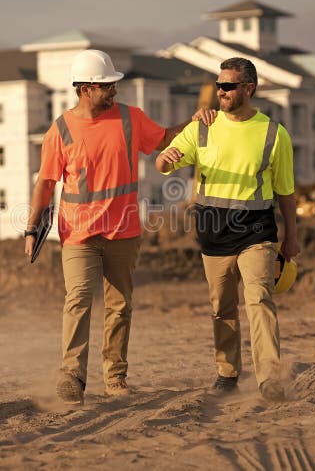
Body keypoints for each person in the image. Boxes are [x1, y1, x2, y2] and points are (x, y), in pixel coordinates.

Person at [25, 49, 214, 405]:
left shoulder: (130, 119)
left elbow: (163, 139)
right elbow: (46, 182)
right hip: (78, 233)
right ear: (86, 89)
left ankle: (115, 377)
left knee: (120, 305)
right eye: (107, 86)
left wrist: (195, 123)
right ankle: (72, 375)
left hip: (123, 230)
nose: (114, 91)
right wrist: (32, 227)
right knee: (79, 298)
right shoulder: (60, 129)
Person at [155, 57, 300, 401]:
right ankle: (227, 372)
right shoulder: (202, 127)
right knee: (221, 306)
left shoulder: (273, 134)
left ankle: (269, 377)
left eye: (228, 86)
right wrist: (166, 159)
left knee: (259, 299)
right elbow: (164, 160)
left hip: (257, 233)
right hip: (213, 234)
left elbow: (286, 192)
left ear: (248, 88)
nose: (221, 92)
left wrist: (291, 237)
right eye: (219, 85)